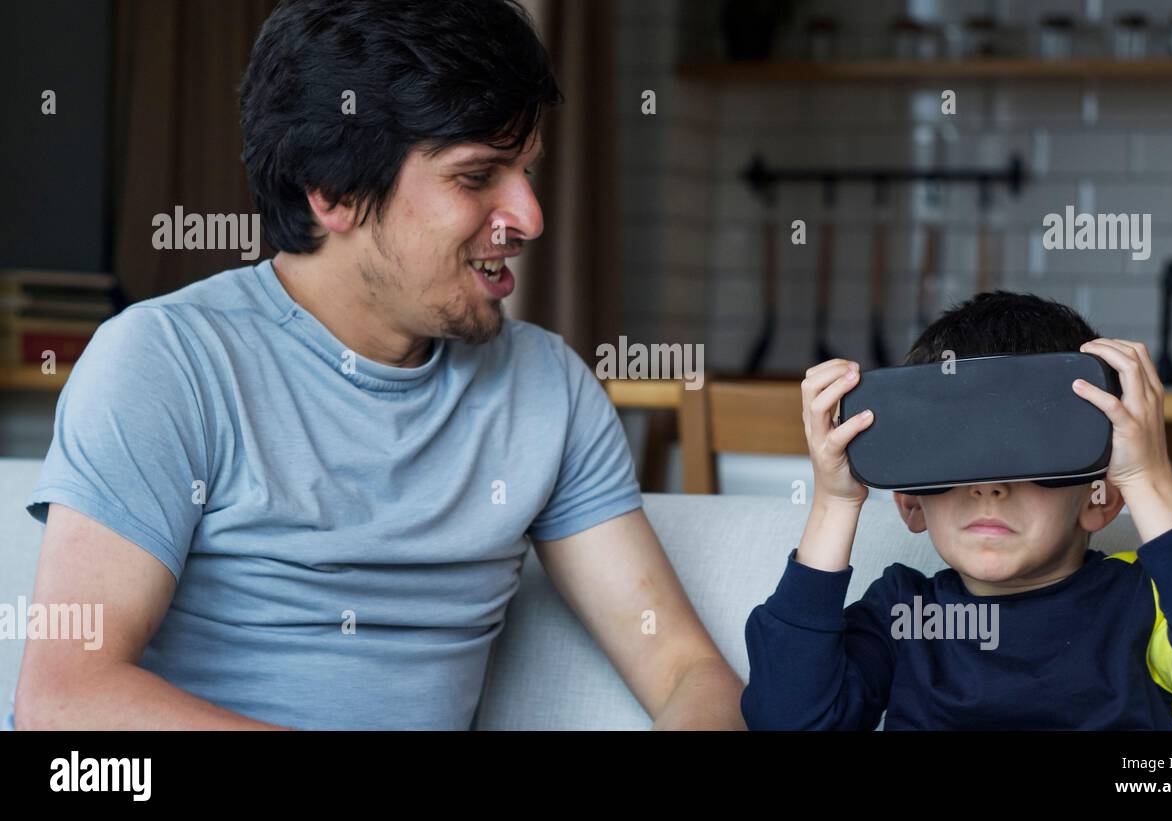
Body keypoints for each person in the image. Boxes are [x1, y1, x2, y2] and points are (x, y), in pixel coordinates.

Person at [10, 0, 744, 731]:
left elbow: (686, 670)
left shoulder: (546, 390)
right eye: (478, 175)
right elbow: (65, 700)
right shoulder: (168, 362)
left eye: (525, 171)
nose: (528, 215)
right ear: (333, 192)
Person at [741, 291, 1172, 730]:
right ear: (911, 503)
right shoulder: (901, 614)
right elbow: (788, 718)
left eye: (1030, 454)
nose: (990, 486)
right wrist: (836, 502)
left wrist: (1147, 476)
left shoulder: (1149, 602)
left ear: (1100, 501)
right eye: (957, 459)